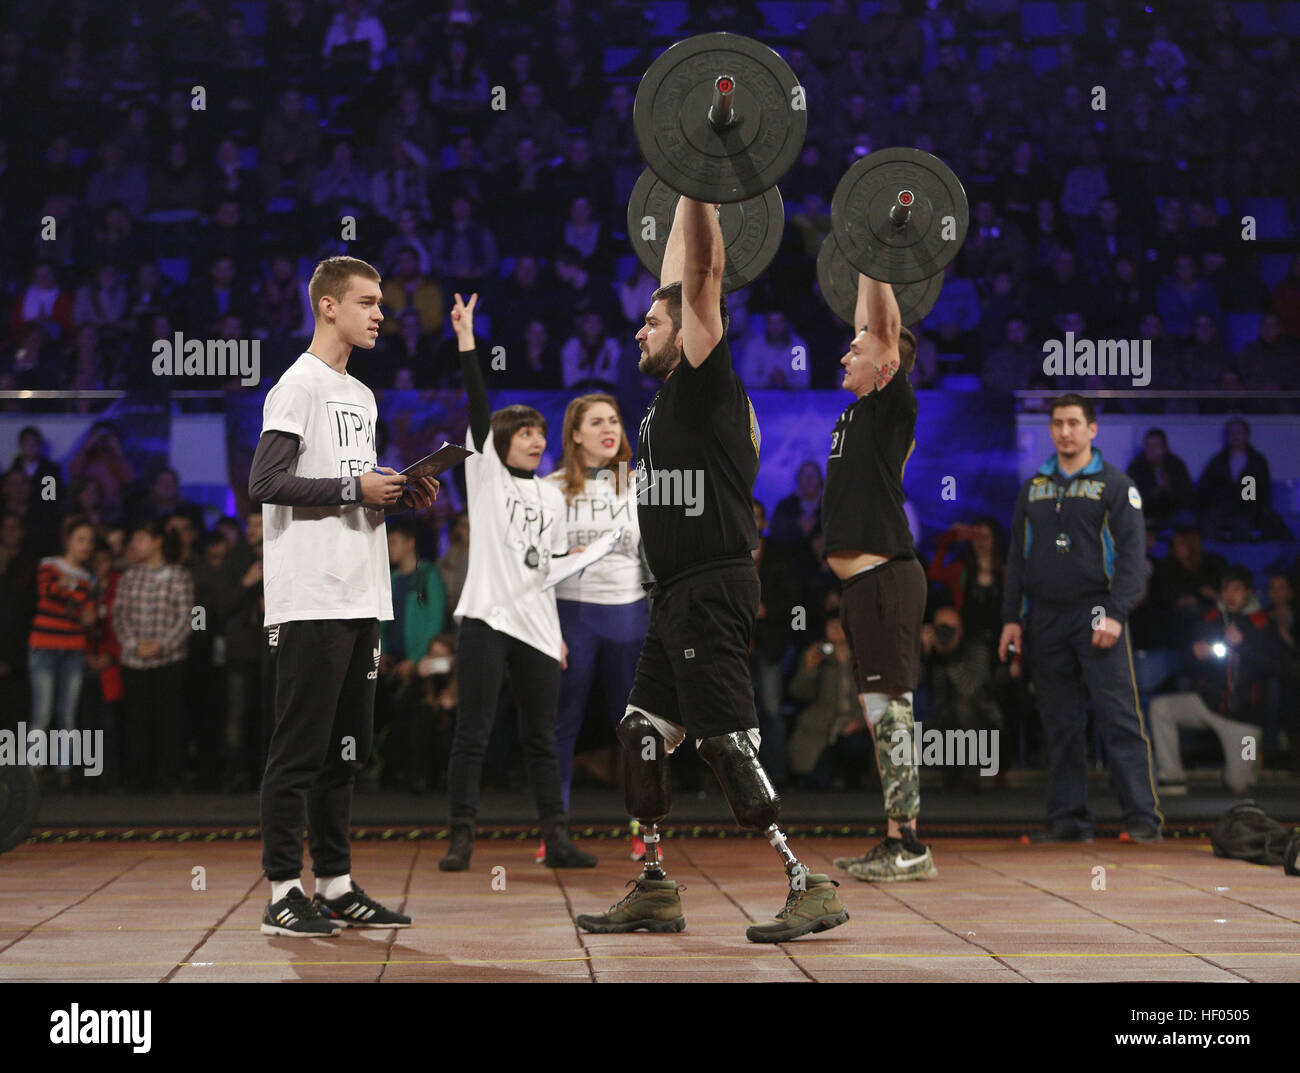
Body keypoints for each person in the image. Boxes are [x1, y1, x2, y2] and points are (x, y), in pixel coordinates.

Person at [576, 197, 848, 943]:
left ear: (692, 331)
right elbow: (677, 274)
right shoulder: (672, 398)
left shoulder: (704, 383)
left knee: (724, 737)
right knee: (639, 732)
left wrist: (700, 184)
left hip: (711, 587)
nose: (638, 328)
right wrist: (684, 189)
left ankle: (806, 882)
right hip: (673, 596)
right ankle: (657, 887)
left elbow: (700, 275)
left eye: (651, 323)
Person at [249, 256, 438, 937]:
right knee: (298, 749)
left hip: (362, 589)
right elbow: (264, 481)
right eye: (367, 301)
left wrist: (396, 489)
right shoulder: (296, 385)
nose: (381, 313)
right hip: (311, 594)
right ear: (328, 307)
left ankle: (332, 883)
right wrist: (355, 489)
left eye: (380, 302)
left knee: (345, 750)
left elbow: (345, 483)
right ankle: (280, 889)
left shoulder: (360, 394)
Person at [441, 292, 596, 872]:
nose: (537, 439)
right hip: (485, 617)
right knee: (473, 734)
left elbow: (545, 569)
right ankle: (461, 839)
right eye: (525, 432)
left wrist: (557, 629)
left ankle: (556, 839)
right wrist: (467, 338)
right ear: (501, 441)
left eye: (539, 433)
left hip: (535, 624)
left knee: (543, 738)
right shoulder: (484, 473)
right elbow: (479, 403)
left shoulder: (553, 494)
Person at [998, 394, 1163, 843]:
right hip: (1045, 618)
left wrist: (1114, 613)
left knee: (1119, 719)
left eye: (1073, 423)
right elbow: (1017, 559)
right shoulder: (1033, 487)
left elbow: (1133, 561)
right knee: (1060, 722)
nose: (1064, 431)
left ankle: (1142, 821)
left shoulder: (1116, 485)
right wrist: (1012, 617)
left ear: (1093, 429)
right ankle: (1069, 820)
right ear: (1050, 429)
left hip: (1097, 613)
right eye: (1057, 423)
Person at [816, 271, 935, 882]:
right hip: (863, 587)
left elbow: (882, 328)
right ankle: (894, 837)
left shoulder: (894, 404)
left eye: (857, 350)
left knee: (892, 712)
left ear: (888, 364)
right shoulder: (859, 412)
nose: (845, 352)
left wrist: (881, 255)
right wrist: (861, 261)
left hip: (887, 578)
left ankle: (909, 844)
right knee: (877, 711)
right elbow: (871, 325)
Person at [544, 393, 647, 859]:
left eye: (614, 419)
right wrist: (548, 628)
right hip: (572, 615)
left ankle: (646, 833)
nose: (609, 429)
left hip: (629, 614)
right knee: (562, 725)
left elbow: (654, 559)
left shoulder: (640, 484)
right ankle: (555, 834)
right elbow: (539, 568)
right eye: (597, 422)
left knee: (639, 728)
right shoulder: (551, 488)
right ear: (575, 434)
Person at [1150, 566, 1277, 794]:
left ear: (1248, 592)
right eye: (1225, 589)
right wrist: (1196, 655)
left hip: (1245, 719)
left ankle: (1247, 765)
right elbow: (1187, 661)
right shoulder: (1211, 619)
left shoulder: (1263, 623)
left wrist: (1243, 647)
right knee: (1160, 708)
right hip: (1208, 704)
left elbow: (1276, 667)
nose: (1230, 595)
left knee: (1240, 785)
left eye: (1236, 589)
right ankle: (1172, 775)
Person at [114, 520, 193, 794]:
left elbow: (186, 618)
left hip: (169, 661)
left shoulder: (179, 575)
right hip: (134, 661)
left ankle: (167, 779)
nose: (135, 544)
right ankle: (137, 780)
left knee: (168, 722)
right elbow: (120, 616)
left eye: (140, 538)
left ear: (158, 541)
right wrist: (134, 645)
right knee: (136, 722)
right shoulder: (129, 576)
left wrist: (162, 646)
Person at [27, 516, 96, 789]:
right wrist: (74, 601)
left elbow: (86, 614)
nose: (86, 546)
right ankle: (31, 773)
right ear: (68, 540)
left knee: (67, 713)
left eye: (90, 541)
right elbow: (47, 594)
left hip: (74, 649)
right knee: (42, 713)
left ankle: (64, 772)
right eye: (81, 539)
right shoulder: (48, 565)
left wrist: (71, 599)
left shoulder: (88, 578)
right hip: (44, 646)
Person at [1125, 428, 1196, 532]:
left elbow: (1188, 496)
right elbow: (1131, 500)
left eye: (1156, 446)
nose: (1152, 451)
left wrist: (1170, 489)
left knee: (1186, 518)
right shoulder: (1137, 467)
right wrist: (1154, 491)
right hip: (1146, 513)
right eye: (1149, 446)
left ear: (1165, 447)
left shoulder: (1176, 465)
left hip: (1172, 513)